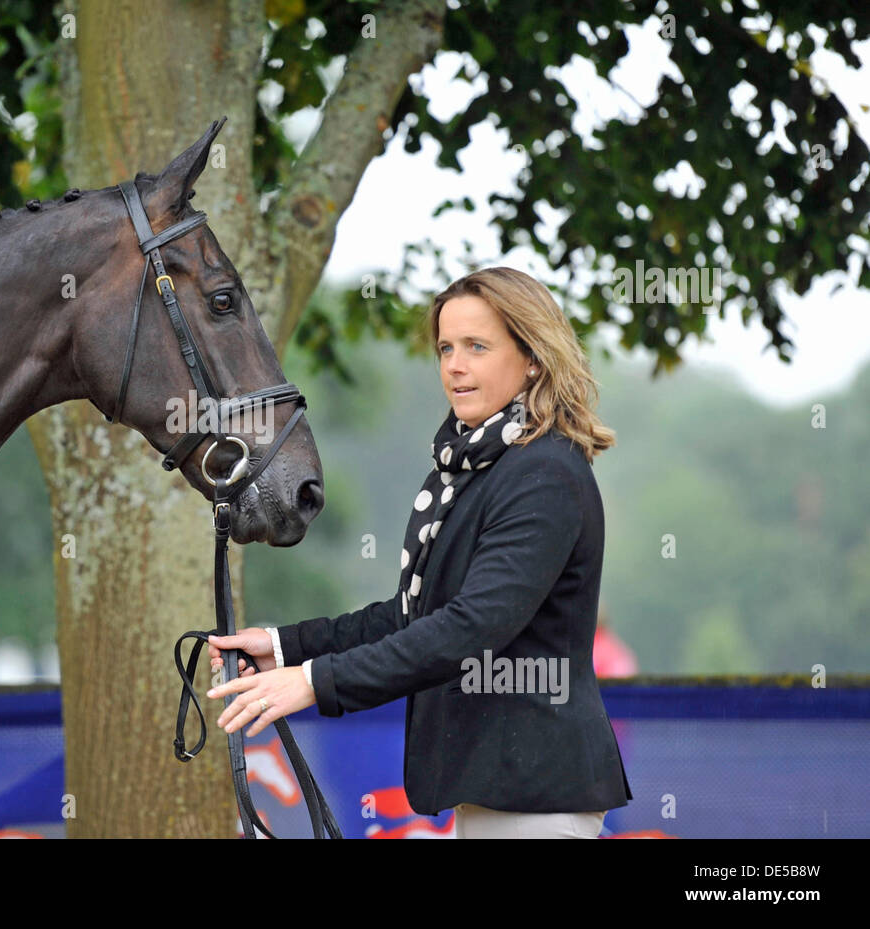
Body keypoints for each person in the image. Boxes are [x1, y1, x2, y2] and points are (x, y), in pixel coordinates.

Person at [206, 266, 632, 838]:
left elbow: (470, 627)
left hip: (537, 796)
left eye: (477, 347)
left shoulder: (544, 472)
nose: (454, 365)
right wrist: (285, 647)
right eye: (446, 348)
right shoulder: (480, 469)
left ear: (533, 357)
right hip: (496, 793)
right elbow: (416, 615)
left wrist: (313, 682)